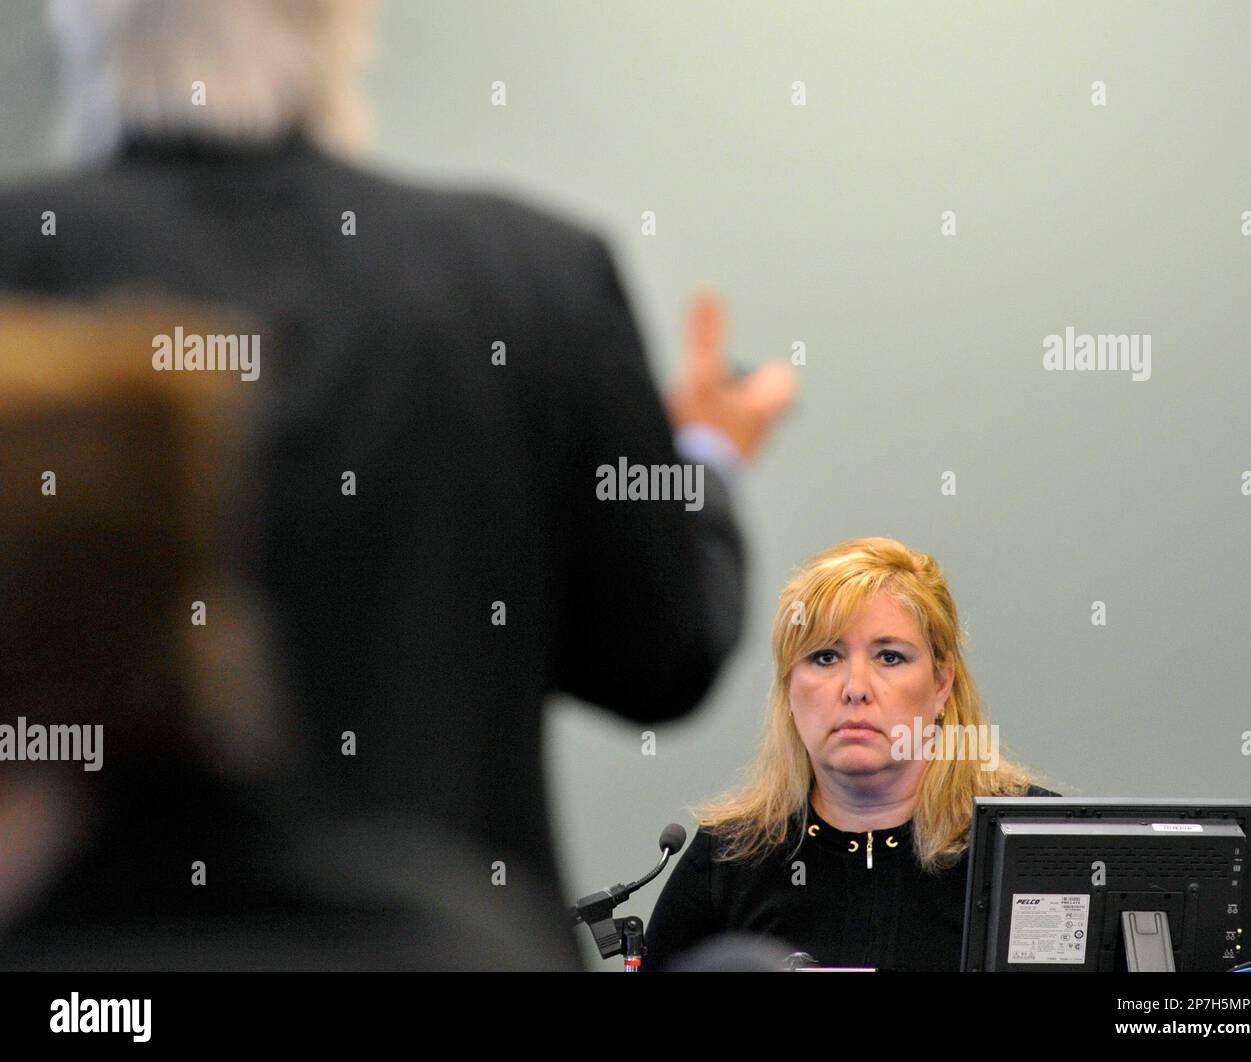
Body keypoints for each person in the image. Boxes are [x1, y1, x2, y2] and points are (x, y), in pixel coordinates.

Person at [0, 0, 796, 967]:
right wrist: (702, 456)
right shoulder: (532, 277)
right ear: (344, 25)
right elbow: (663, 652)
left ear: (80, 27)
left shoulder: (23, 265)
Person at [642, 537, 1062, 971]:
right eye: (825, 657)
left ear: (941, 684)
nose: (855, 688)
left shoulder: (1038, 843)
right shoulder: (729, 857)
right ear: (788, 686)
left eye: (889, 657)